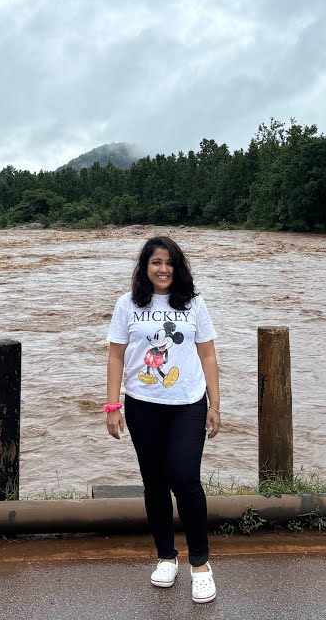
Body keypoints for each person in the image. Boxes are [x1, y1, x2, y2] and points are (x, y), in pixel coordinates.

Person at [104, 236, 221, 604]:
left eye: (169, 262)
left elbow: (208, 357)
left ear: (179, 267)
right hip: (142, 404)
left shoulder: (194, 304)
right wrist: (112, 406)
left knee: (185, 480)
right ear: (145, 267)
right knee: (154, 483)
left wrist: (215, 405)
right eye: (156, 262)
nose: (163, 269)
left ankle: (200, 565)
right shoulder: (127, 305)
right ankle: (166, 556)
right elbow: (115, 358)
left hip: (188, 402)